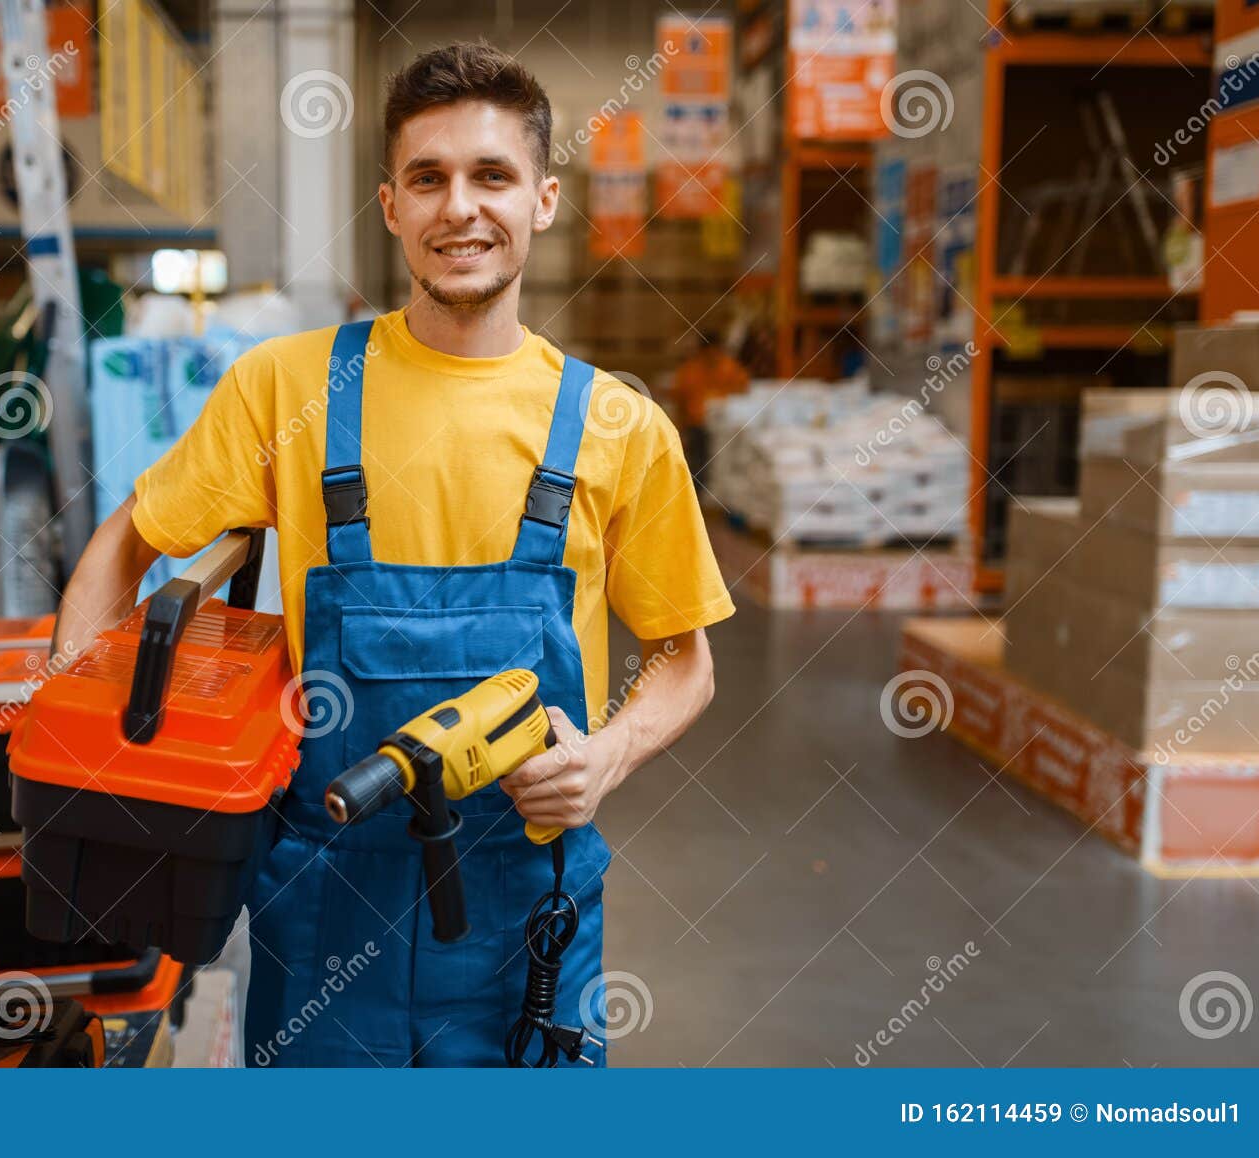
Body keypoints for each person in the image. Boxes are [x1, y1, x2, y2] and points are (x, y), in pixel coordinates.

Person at [53, 41, 734, 1067]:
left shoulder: (616, 426)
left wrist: (607, 756)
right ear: (390, 206)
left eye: (491, 176)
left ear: (543, 199)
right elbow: (130, 541)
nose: (460, 207)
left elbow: (684, 658)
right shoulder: (286, 390)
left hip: (528, 917)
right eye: (430, 179)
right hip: (325, 907)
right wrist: (85, 764)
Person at [671, 329, 750, 497]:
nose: (713, 356)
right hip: (697, 426)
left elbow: (744, 397)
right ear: (702, 352)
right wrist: (679, 429)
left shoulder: (732, 369)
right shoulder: (689, 371)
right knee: (699, 463)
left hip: (725, 428)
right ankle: (697, 498)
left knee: (724, 464)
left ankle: (712, 498)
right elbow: (680, 402)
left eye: (717, 351)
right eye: (709, 352)